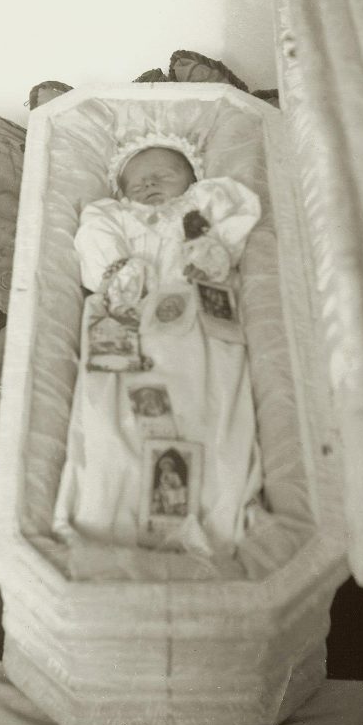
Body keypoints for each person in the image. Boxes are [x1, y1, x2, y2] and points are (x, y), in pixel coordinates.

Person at [52, 131, 263, 559]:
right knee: (114, 419)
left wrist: (211, 242)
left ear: (192, 178)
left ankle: (210, 515)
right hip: (131, 320)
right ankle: (115, 510)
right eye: (136, 181)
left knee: (211, 405)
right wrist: (118, 271)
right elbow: (92, 234)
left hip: (198, 321)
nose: (148, 185)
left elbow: (239, 205)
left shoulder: (201, 204)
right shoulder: (114, 214)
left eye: (163, 175)